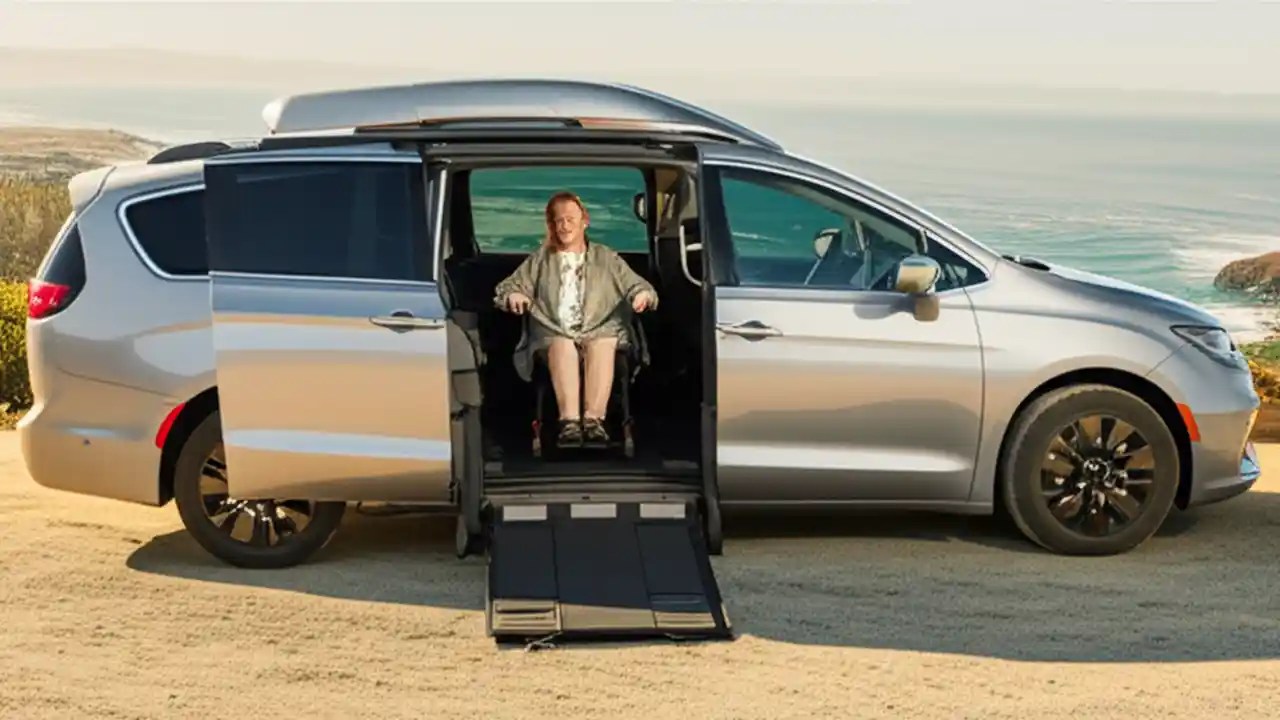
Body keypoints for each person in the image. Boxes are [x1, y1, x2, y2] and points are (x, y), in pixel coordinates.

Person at [494, 191, 658, 445]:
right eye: (558, 220)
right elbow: (508, 287)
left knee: (602, 343)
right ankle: (569, 423)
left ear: (585, 221)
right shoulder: (541, 259)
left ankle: (594, 423)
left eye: (570, 219)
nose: (564, 225)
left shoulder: (606, 257)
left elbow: (638, 285)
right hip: (554, 330)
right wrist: (514, 295)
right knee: (562, 345)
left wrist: (642, 295)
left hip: (601, 328)